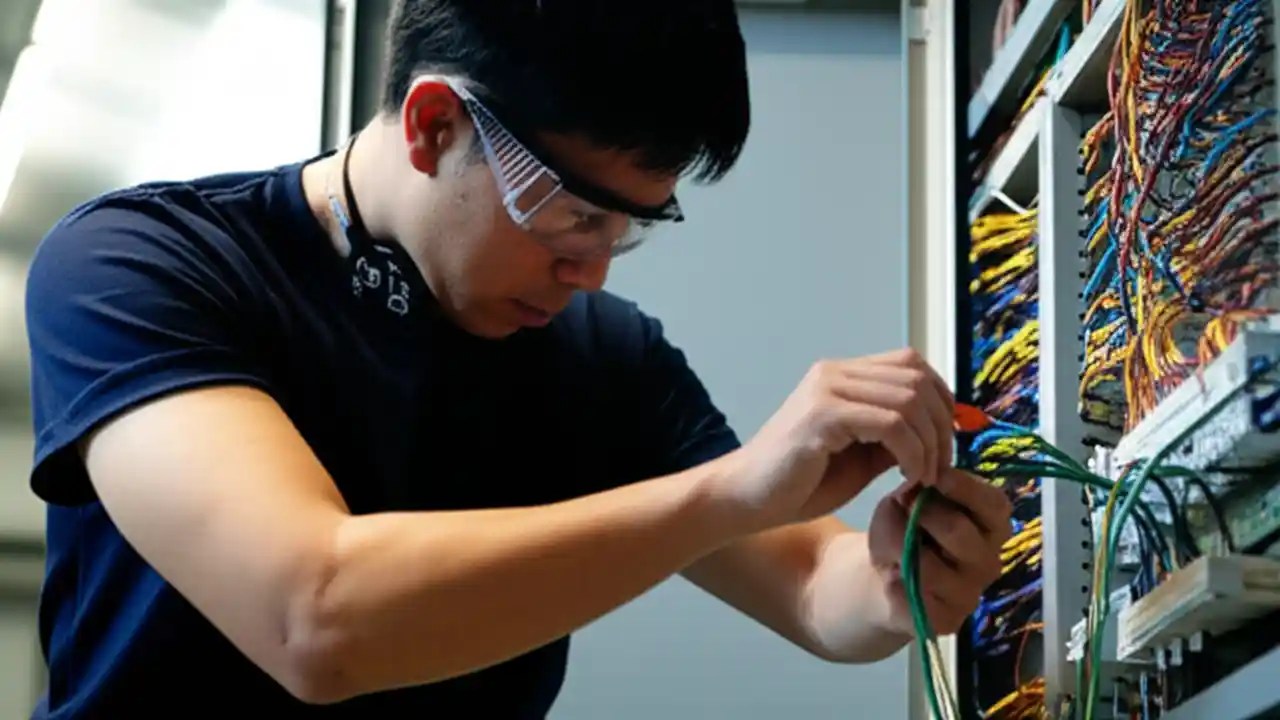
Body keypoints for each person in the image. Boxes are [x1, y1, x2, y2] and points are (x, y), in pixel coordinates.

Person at [23, 1, 1012, 717]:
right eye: (572, 215)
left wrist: (893, 587)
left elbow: (806, 589)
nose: (588, 274)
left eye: (625, 229)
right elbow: (313, 619)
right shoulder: (141, 267)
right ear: (433, 124)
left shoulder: (598, 357)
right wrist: (733, 491)